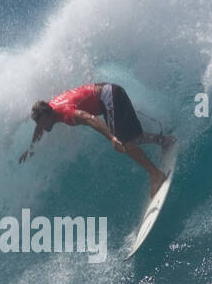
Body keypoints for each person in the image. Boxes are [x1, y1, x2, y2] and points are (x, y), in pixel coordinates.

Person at [21, 82, 175, 198]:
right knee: (131, 137)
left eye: (41, 122)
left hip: (109, 97)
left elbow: (91, 119)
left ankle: (155, 174)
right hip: (112, 91)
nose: (41, 126)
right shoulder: (50, 109)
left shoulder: (66, 113)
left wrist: (112, 137)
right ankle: (164, 141)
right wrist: (31, 149)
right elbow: (39, 129)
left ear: (48, 116)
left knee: (123, 142)